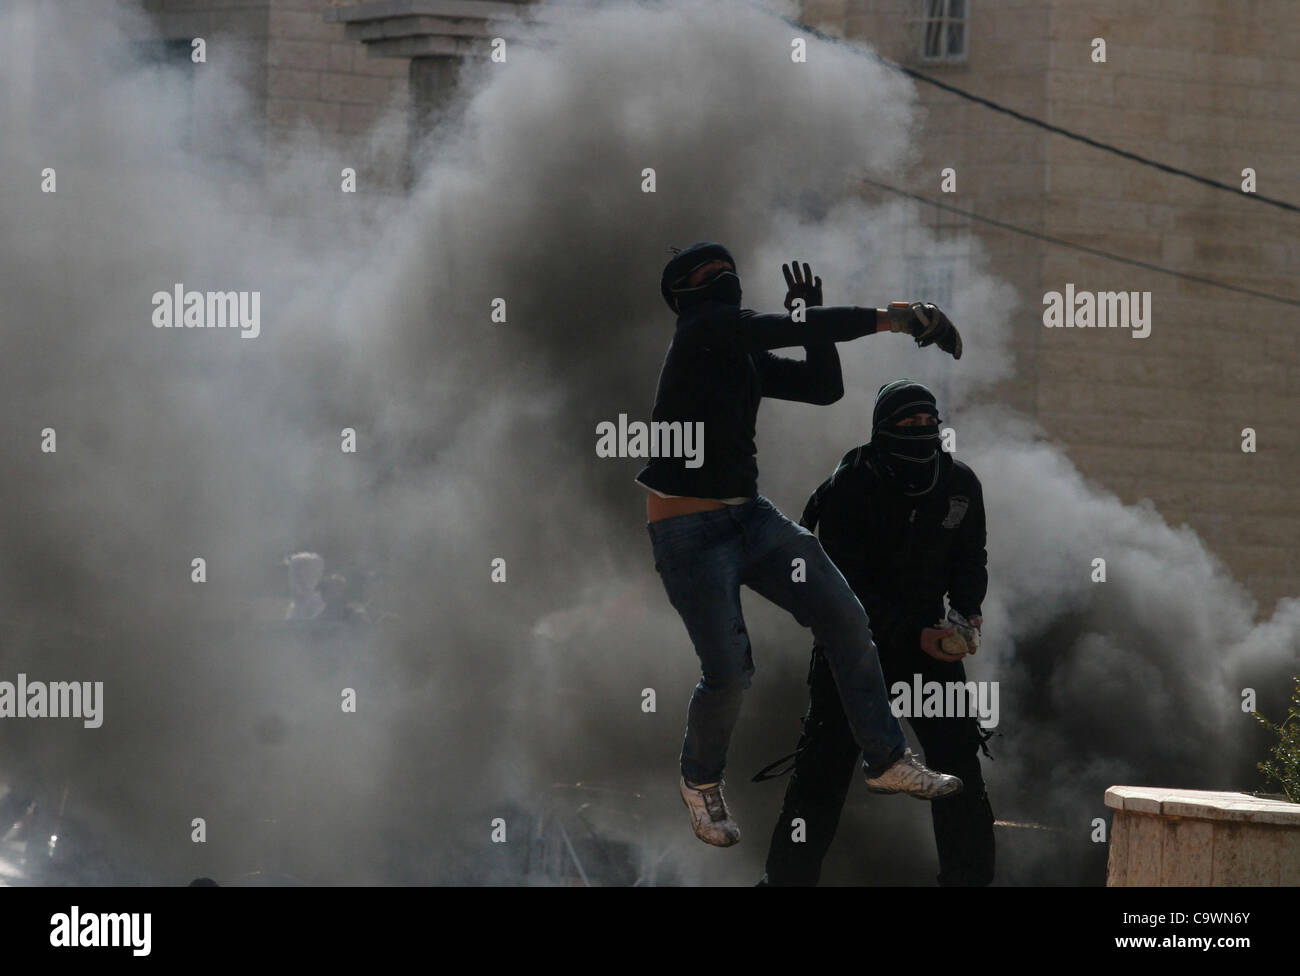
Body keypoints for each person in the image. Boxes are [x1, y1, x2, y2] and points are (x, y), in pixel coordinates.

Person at [637, 242, 965, 847]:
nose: (723, 276)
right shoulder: (702, 331)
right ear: (683, 297)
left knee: (845, 618)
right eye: (706, 274)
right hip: (688, 532)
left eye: (725, 267)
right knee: (730, 673)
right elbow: (781, 329)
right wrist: (897, 317)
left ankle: (886, 759)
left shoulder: (736, 352)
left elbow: (822, 388)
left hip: (751, 520)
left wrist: (808, 323)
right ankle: (700, 781)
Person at [758, 379, 995, 885]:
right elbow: (846, 590)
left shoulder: (959, 486)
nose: (922, 432)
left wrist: (967, 613)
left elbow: (970, 559)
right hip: (854, 650)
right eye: (909, 425)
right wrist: (915, 634)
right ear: (884, 429)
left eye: (930, 424)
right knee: (820, 775)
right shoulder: (849, 488)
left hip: (930, 650)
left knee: (959, 772)